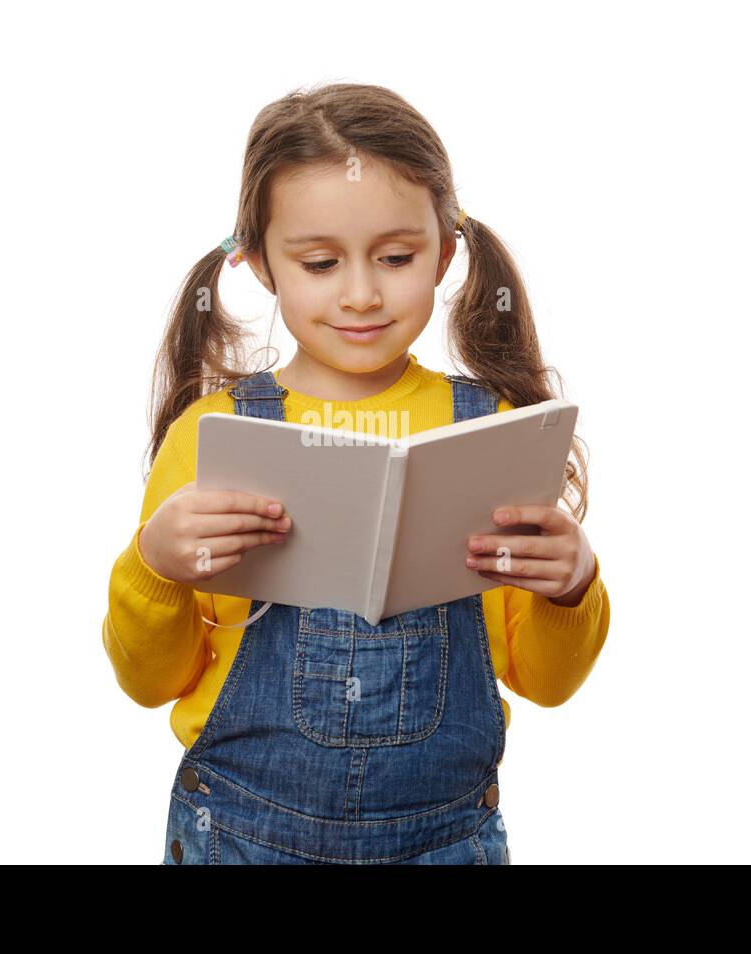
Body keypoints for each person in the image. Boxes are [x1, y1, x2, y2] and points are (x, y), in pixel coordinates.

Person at [102, 83, 610, 864]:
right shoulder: (216, 436)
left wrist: (573, 586)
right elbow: (150, 682)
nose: (362, 293)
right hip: (242, 836)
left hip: (442, 842)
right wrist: (156, 569)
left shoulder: (493, 429)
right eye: (319, 262)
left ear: (445, 251)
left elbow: (546, 683)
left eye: (397, 258)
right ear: (261, 265)